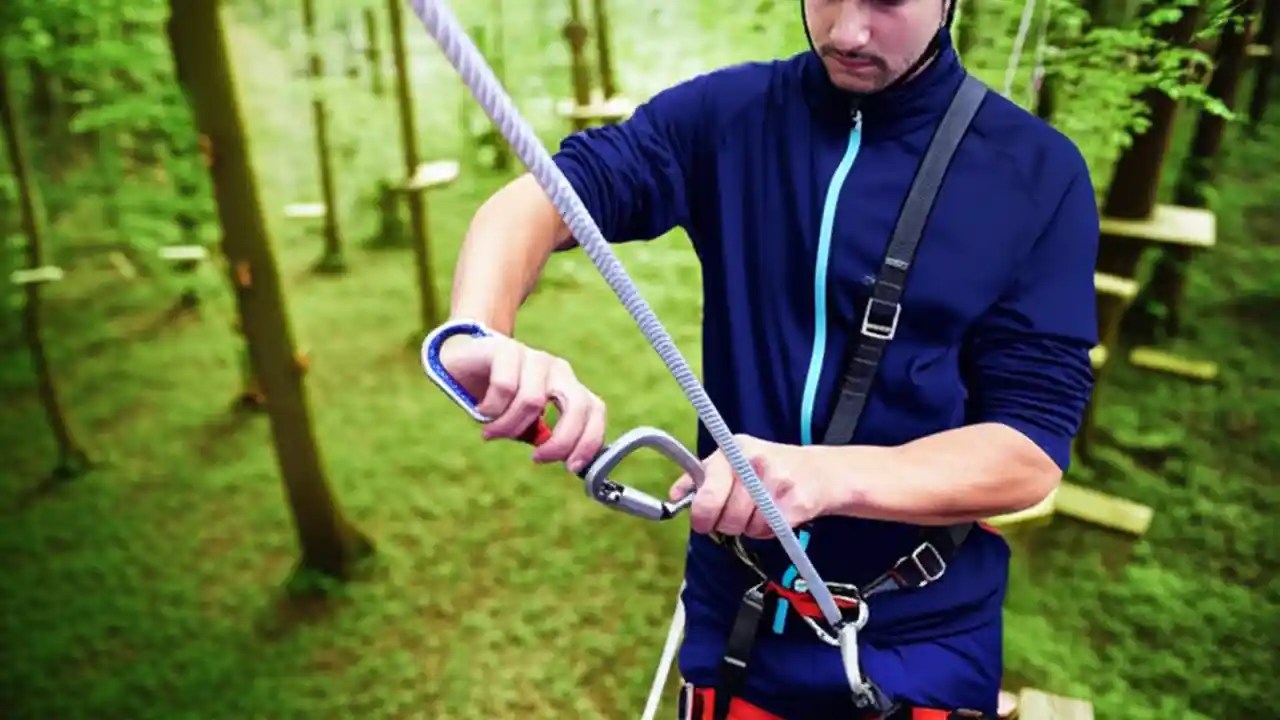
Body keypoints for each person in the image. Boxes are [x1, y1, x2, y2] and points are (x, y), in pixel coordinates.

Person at [437, 0, 1099, 717]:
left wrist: (825, 477)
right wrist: (479, 333)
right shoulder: (730, 118)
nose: (847, 32)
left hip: (921, 631)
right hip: (735, 616)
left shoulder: (1035, 174)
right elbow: (540, 200)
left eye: (886, 1)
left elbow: (1030, 447)